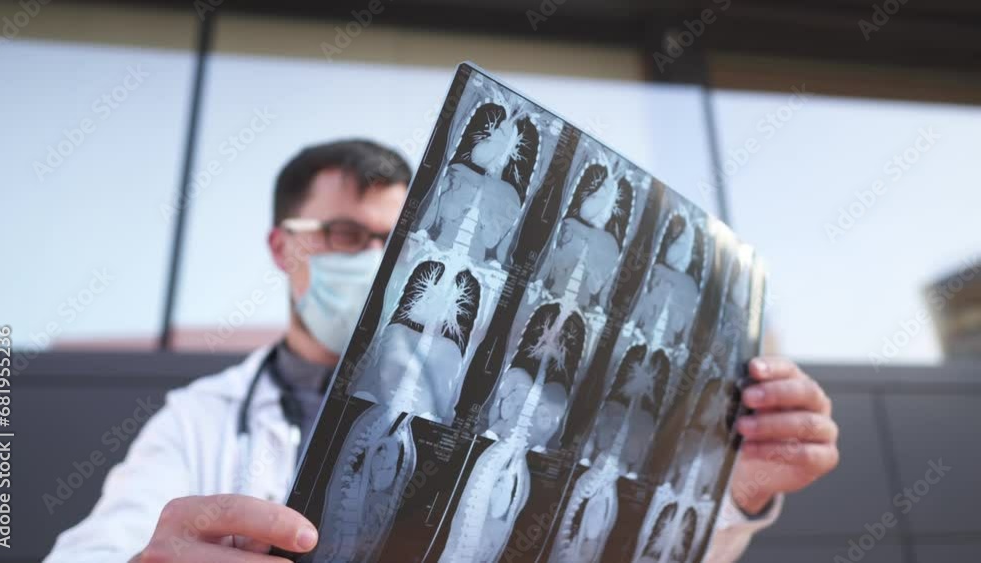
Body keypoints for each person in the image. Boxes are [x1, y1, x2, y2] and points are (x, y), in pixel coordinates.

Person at [45, 139, 839, 563]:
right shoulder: (199, 420)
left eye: (397, 241)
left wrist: (732, 490)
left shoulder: (532, 406)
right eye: (350, 236)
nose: (381, 262)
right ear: (284, 248)